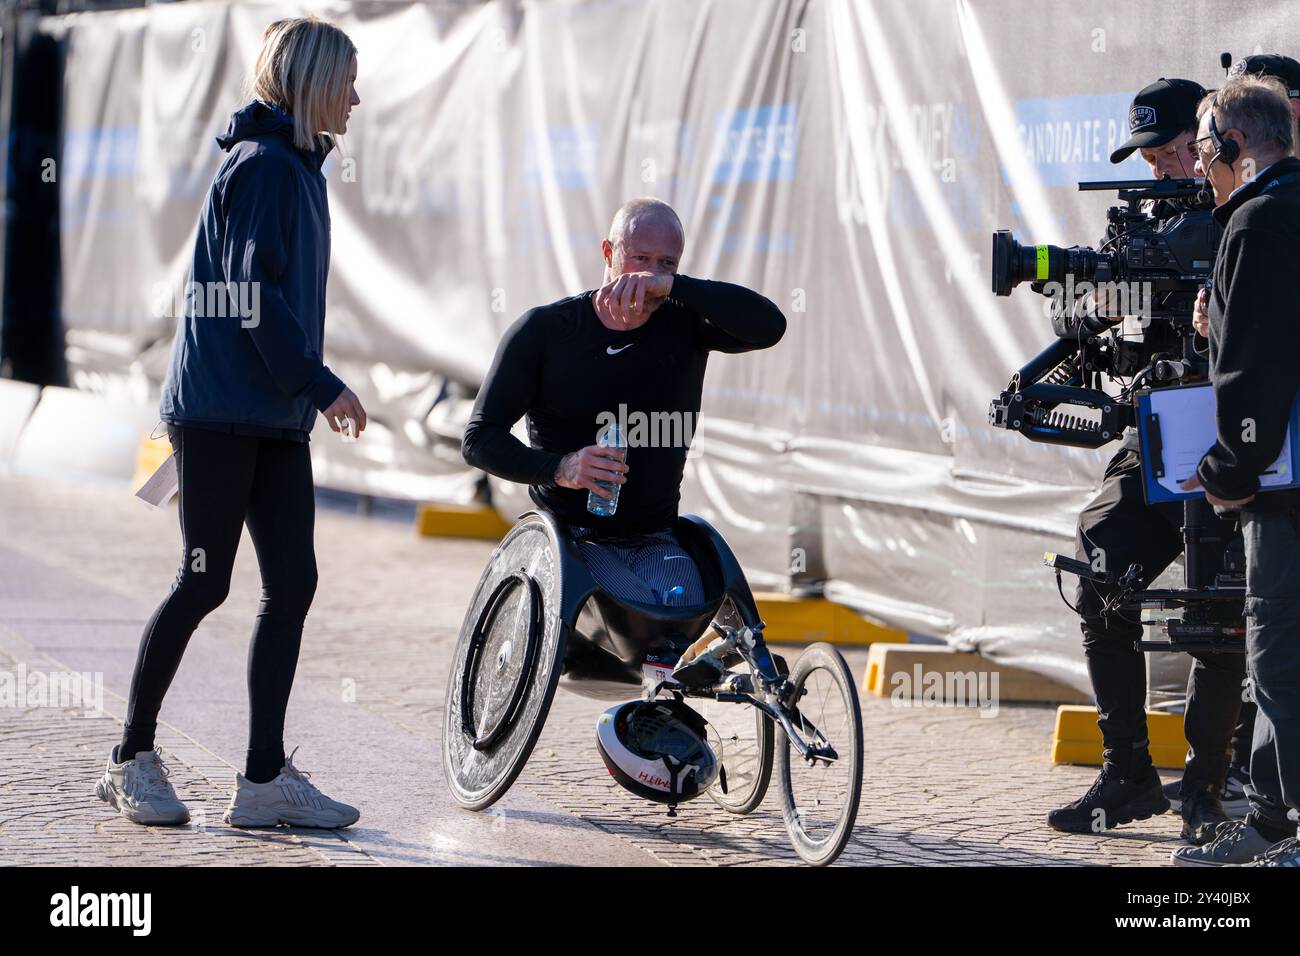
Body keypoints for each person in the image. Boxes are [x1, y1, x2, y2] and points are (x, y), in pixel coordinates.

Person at [95, 17, 366, 829]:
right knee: (206, 580)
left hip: (270, 420)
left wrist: (301, 397)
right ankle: (131, 759)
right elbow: (254, 297)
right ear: (313, 82)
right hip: (217, 416)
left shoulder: (297, 169)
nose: (358, 95)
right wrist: (322, 385)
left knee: (294, 583)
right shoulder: (266, 167)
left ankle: (260, 782)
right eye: (347, 79)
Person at [1048, 78, 1251, 843]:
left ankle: (1210, 783)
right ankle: (1127, 769)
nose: (1159, 170)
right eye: (1148, 156)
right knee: (1101, 561)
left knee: (1219, 607)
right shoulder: (1138, 222)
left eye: (1170, 153)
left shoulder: (1244, 218)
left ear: (1205, 146)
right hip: (1155, 433)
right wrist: (1095, 300)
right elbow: (1068, 303)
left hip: (1237, 439)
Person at [462, 197, 785, 657]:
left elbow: (770, 325)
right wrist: (562, 467)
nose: (648, 276)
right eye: (639, 258)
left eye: (665, 262)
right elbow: (479, 440)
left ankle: (662, 709)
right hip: (573, 536)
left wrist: (676, 286)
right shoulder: (546, 330)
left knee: (679, 608)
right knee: (643, 615)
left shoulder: (686, 324)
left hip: (654, 534)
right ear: (607, 252)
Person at [1171, 74, 1300, 866]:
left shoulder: (1259, 219)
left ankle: (1281, 825)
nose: (1197, 168)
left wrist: (1229, 467)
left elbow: (1256, 368)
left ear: (1234, 144)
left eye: (1204, 149)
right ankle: (1274, 818)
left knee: (1277, 649)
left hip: (1283, 486)